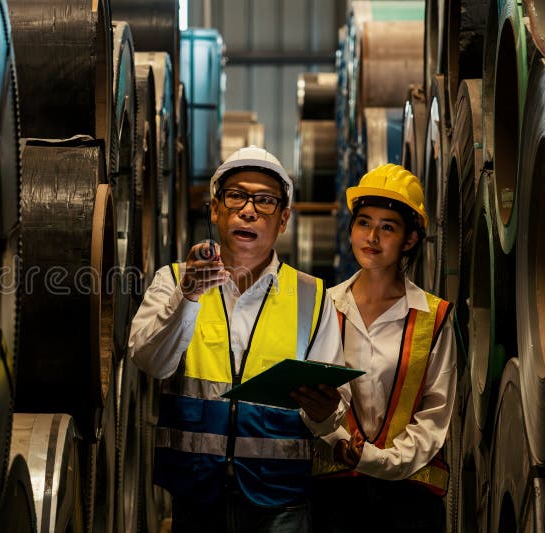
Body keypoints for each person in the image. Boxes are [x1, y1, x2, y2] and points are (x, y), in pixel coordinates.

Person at [128, 145, 350, 532]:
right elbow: (150, 361)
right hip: (195, 492)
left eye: (265, 201)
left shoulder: (313, 297)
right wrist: (188, 297)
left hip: (280, 499)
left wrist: (324, 412)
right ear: (215, 210)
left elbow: (333, 406)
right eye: (236, 196)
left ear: (283, 220)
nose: (249, 209)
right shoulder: (173, 280)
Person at [312, 164, 456, 533]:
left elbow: (435, 413)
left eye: (387, 227)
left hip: (410, 500)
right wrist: (339, 441)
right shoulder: (323, 307)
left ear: (409, 240)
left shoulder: (433, 316)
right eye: (363, 222)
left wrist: (379, 461)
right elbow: (314, 397)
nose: (372, 236)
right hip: (335, 498)